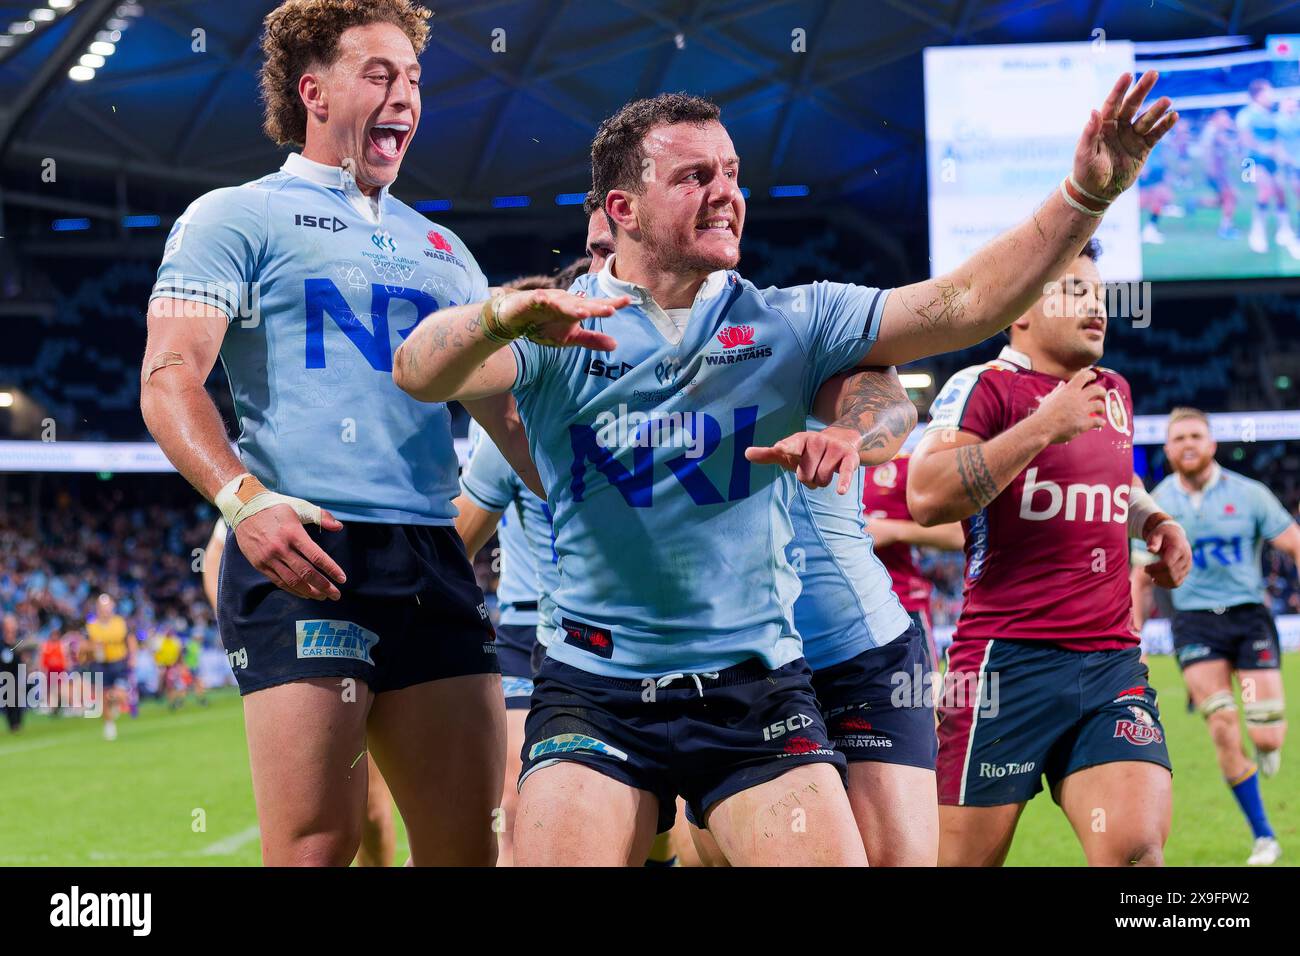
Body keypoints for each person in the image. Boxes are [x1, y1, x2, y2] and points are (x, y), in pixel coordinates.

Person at [394, 74, 1176, 865]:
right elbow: (417, 371)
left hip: (753, 692)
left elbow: (962, 303)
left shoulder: (792, 321)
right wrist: (497, 316)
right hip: (594, 690)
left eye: (732, 174)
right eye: (695, 177)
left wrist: (1085, 193)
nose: (726, 193)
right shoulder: (555, 332)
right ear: (622, 210)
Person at [140, 0, 503, 865]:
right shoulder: (235, 216)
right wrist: (244, 501)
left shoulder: (447, 250)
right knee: (315, 847)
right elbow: (168, 377)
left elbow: (511, 418)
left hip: (433, 556)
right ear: (315, 90)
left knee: (465, 848)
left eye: (414, 79)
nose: (405, 96)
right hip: (306, 550)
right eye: (379, 75)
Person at [908, 240, 1193, 866]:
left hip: (1111, 664)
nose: (1096, 306)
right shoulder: (982, 387)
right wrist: (1043, 425)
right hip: (1004, 670)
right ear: (1021, 312)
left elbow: (1118, 477)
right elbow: (926, 496)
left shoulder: (1113, 391)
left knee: (1136, 853)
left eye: (1099, 293)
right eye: (1074, 291)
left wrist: (1152, 519)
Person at [1132, 407, 1300, 866]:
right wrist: (1133, 641)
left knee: (1266, 736)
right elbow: (1140, 577)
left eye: (1195, 436)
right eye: (1178, 437)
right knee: (1223, 723)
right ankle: (1264, 835)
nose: (1187, 444)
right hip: (1195, 624)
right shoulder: (1154, 506)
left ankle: (1266, 742)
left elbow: (1294, 543)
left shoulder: (1250, 494)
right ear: (1167, 450)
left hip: (1249, 620)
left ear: (1211, 444)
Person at [862, 454, 965, 666]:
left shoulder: (907, 465)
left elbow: (959, 533)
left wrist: (893, 530)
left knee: (918, 696)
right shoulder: (816, 459)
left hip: (900, 607)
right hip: (832, 613)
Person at [85, 594, 135, 741]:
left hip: (118, 662)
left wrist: (133, 657)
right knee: (104, 696)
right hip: (100, 664)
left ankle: (114, 706)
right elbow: (84, 644)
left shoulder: (120, 622)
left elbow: (130, 639)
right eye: (103, 608)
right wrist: (92, 647)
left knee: (119, 694)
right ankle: (109, 724)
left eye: (108, 607)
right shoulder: (91, 626)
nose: (106, 610)